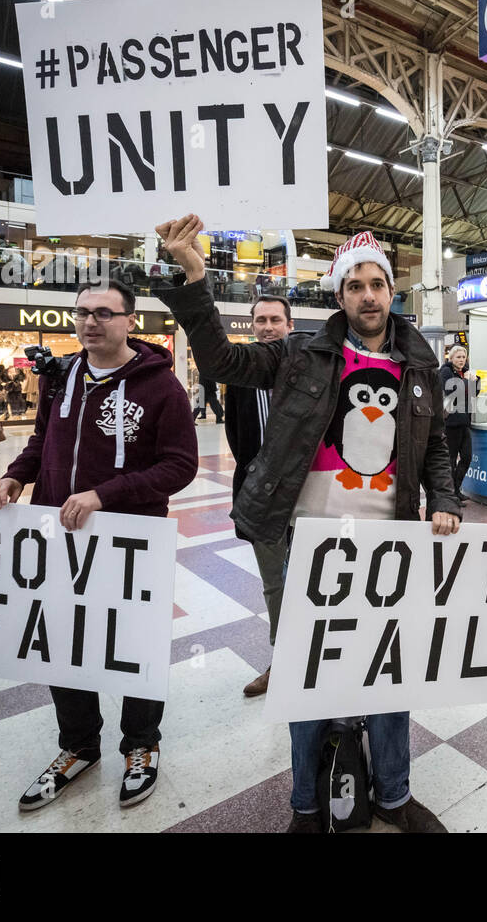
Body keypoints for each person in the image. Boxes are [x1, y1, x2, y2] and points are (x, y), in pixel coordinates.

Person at [154, 215, 460, 834]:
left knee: (386, 675)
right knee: (306, 674)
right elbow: (219, 359)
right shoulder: (301, 353)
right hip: (312, 542)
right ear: (340, 296)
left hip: (388, 545)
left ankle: (394, 795)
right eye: (356, 286)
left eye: (378, 284)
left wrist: (446, 498)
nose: (369, 295)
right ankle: (306, 803)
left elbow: (431, 448)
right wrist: (193, 277)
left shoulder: (419, 362)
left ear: (391, 292)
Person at [0, 272, 198, 812]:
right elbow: (41, 440)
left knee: (135, 644)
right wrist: (15, 475)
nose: (90, 322)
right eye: (83, 312)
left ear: (130, 321)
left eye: (103, 313)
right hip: (60, 533)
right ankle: (78, 746)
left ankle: (141, 744)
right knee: (62, 641)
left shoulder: (160, 386)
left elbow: (181, 465)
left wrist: (105, 493)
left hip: (130, 539)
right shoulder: (61, 376)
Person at [223, 295, 295, 698]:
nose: (267, 326)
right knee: (274, 583)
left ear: (289, 324)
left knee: (316, 577)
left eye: (274, 319)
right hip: (261, 493)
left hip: (308, 492)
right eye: (260, 320)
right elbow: (238, 433)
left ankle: (320, 655)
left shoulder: (304, 366)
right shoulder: (241, 371)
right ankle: (282, 660)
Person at [440, 344, 477, 505]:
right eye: (458, 357)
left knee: (467, 457)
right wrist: (466, 381)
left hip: (464, 422)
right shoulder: (445, 371)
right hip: (451, 423)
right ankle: (450, 495)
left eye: (463, 357)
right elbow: (452, 391)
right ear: (451, 358)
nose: (462, 360)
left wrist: (475, 381)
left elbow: (475, 392)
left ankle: (456, 489)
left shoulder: (466, 372)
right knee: (451, 460)